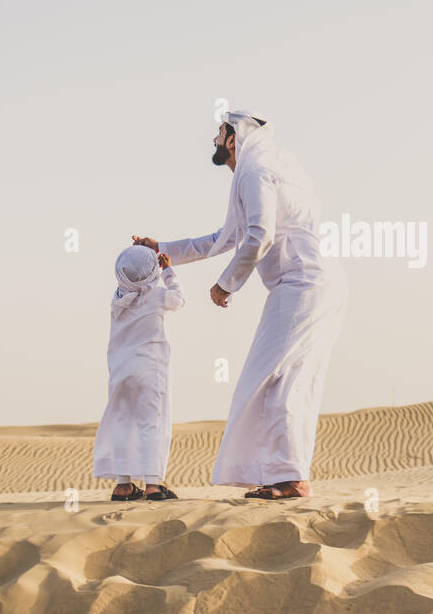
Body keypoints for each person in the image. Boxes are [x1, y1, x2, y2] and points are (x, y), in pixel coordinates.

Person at [133, 109, 346, 499]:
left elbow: (260, 235)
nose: (214, 140)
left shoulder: (254, 171)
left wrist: (225, 285)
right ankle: (287, 476)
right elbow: (224, 237)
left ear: (234, 139)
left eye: (219, 133)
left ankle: (290, 478)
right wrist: (162, 249)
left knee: (267, 380)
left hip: (302, 285)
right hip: (310, 286)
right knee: (284, 382)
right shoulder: (262, 168)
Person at [93, 244, 185, 500]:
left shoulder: (118, 298)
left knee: (122, 422)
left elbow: (134, 281)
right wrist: (168, 272)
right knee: (151, 423)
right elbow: (179, 299)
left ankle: (123, 485)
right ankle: (153, 484)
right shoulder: (156, 295)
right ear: (152, 272)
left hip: (121, 371)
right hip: (150, 368)